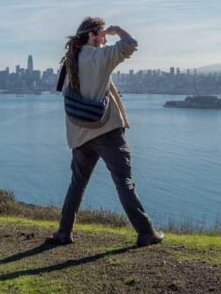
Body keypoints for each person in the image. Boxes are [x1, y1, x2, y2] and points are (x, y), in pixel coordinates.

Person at [52, 17, 164, 247]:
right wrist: (118, 30)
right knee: (124, 182)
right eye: (102, 33)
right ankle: (146, 232)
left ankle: (64, 232)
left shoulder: (71, 60)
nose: (105, 38)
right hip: (107, 131)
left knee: (77, 184)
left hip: (80, 134)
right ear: (92, 35)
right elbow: (130, 44)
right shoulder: (98, 56)